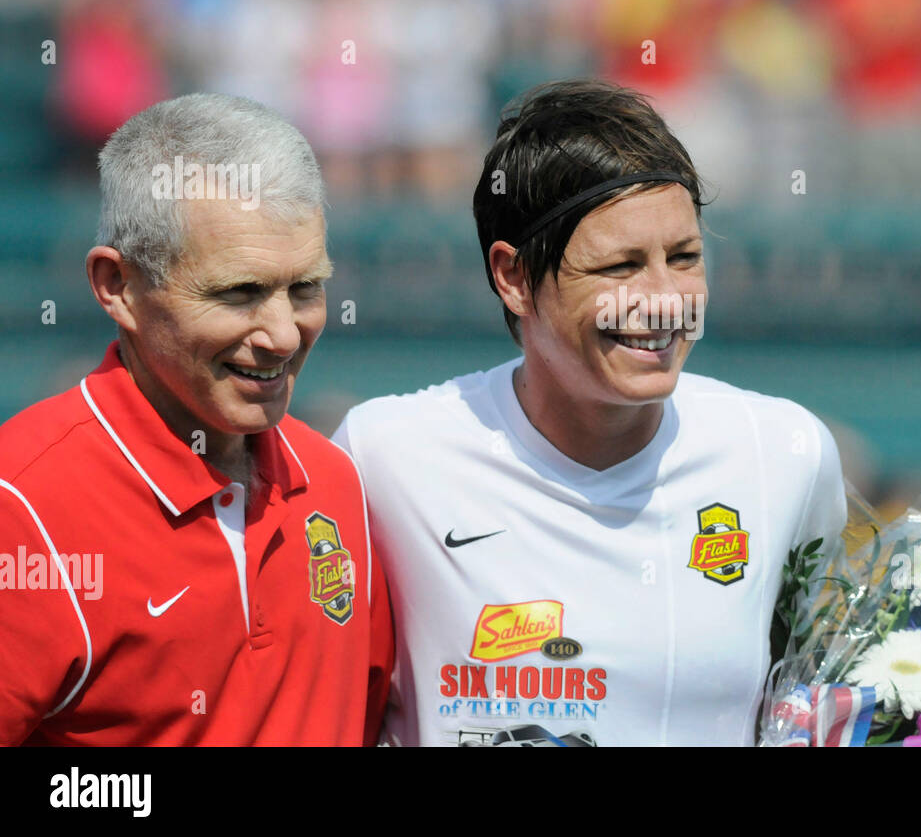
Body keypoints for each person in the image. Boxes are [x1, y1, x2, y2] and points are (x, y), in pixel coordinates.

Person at [334, 80, 846, 746]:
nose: (666, 300)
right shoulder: (384, 458)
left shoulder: (786, 454)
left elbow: (827, 693)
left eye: (685, 258)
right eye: (620, 266)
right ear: (514, 278)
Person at [0, 94, 393, 745]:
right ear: (117, 286)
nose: (281, 333)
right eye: (238, 292)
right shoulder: (22, 507)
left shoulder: (337, 481)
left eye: (305, 288)